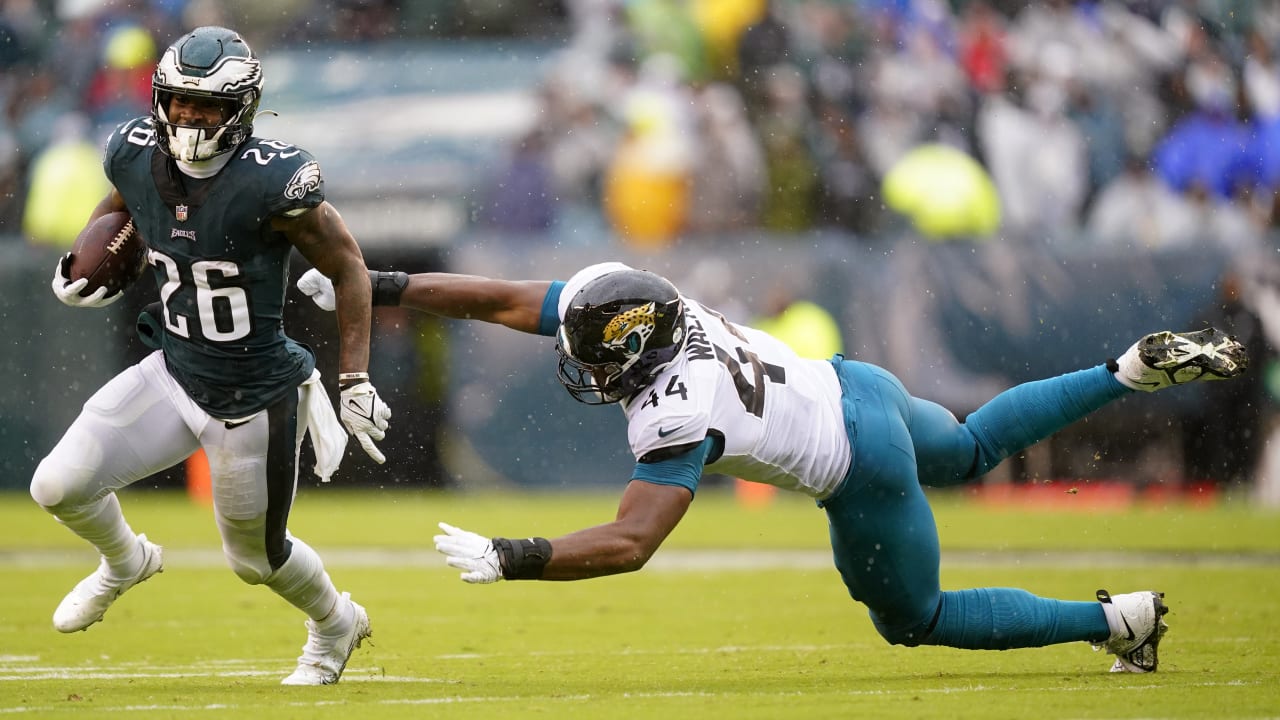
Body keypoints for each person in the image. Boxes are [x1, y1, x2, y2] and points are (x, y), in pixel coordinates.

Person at [299, 261, 1248, 673]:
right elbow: (509, 299)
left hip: (854, 460)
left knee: (910, 620)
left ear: (635, 353)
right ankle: (1124, 370)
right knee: (966, 447)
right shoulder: (635, 300)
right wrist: (376, 285)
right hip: (858, 387)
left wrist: (516, 556)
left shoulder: (677, 406)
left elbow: (634, 542)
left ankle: (1114, 623)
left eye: (598, 363)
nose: (584, 371)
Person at [33, 27, 391, 686]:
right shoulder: (133, 152)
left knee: (256, 562)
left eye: (208, 107)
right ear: (160, 99)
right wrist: (89, 261)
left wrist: (356, 376)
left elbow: (350, 268)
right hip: (174, 369)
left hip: (251, 394)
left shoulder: (274, 181)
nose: (190, 117)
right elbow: (123, 214)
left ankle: (335, 622)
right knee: (57, 485)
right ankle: (124, 561)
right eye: (179, 102)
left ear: (242, 109)